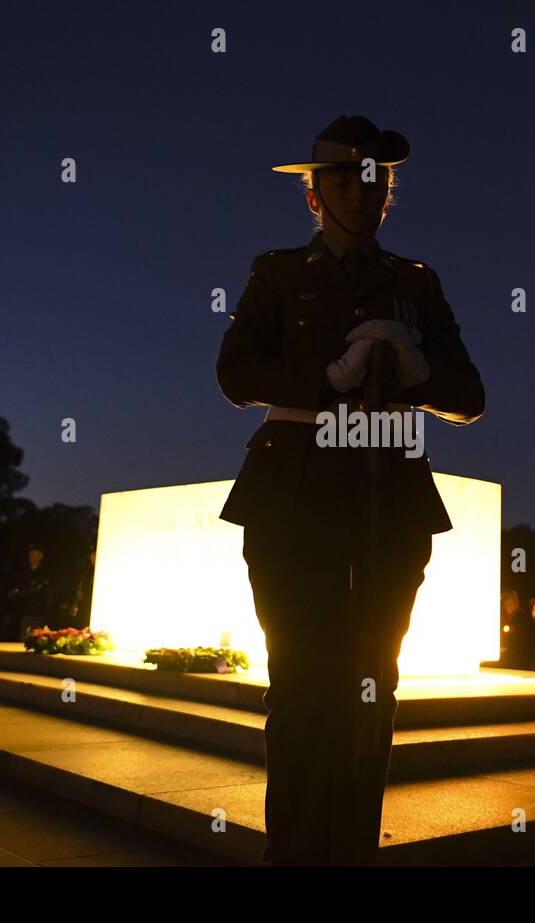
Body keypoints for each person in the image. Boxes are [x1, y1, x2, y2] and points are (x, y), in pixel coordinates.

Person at [215, 114, 484, 866]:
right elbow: (235, 373)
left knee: (372, 689)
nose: (362, 193)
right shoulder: (277, 272)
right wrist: (325, 381)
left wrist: (419, 372)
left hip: (387, 498)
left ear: (389, 194)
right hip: (292, 493)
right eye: (343, 179)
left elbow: (470, 394)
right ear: (313, 195)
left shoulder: (416, 285)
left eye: (377, 180)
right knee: (301, 686)